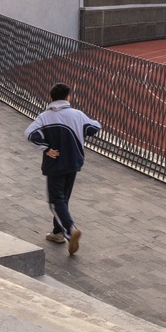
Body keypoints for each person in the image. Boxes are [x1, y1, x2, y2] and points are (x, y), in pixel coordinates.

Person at [23, 83, 101, 255]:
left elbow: (29, 133)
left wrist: (46, 147)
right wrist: (94, 122)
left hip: (55, 164)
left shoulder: (45, 117)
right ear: (68, 97)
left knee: (55, 201)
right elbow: (93, 128)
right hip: (74, 162)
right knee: (63, 198)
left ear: (52, 98)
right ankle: (57, 233)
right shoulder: (77, 114)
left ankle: (70, 230)